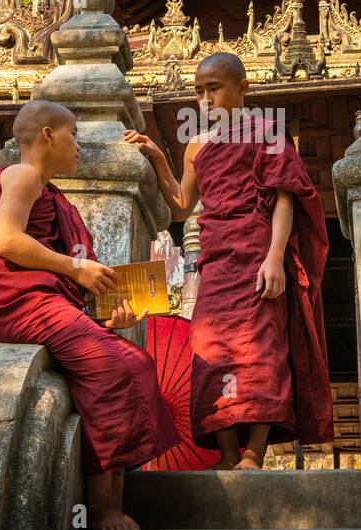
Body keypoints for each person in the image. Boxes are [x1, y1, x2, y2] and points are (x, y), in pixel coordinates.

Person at [0, 99, 179, 530]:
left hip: (47, 305)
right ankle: (101, 508)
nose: (78, 144)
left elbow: (56, 272)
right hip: (18, 306)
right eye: (73, 133)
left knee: (133, 360)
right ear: (47, 135)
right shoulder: (22, 174)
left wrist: (106, 317)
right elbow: (5, 241)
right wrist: (75, 267)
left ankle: (113, 496)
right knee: (119, 367)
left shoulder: (54, 196)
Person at [125, 53, 332, 470]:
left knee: (262, 352)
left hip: (257, 255)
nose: (205, 99)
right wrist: (159, 159)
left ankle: (254, 452)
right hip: (216, 263)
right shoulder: (196, 145)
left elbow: (285, 198)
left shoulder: (267, 133)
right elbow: (183, 204)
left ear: (243, 89)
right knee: (210, 351)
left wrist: (275, 258)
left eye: (214, 88)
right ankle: (230, 453)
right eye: (199, 91)